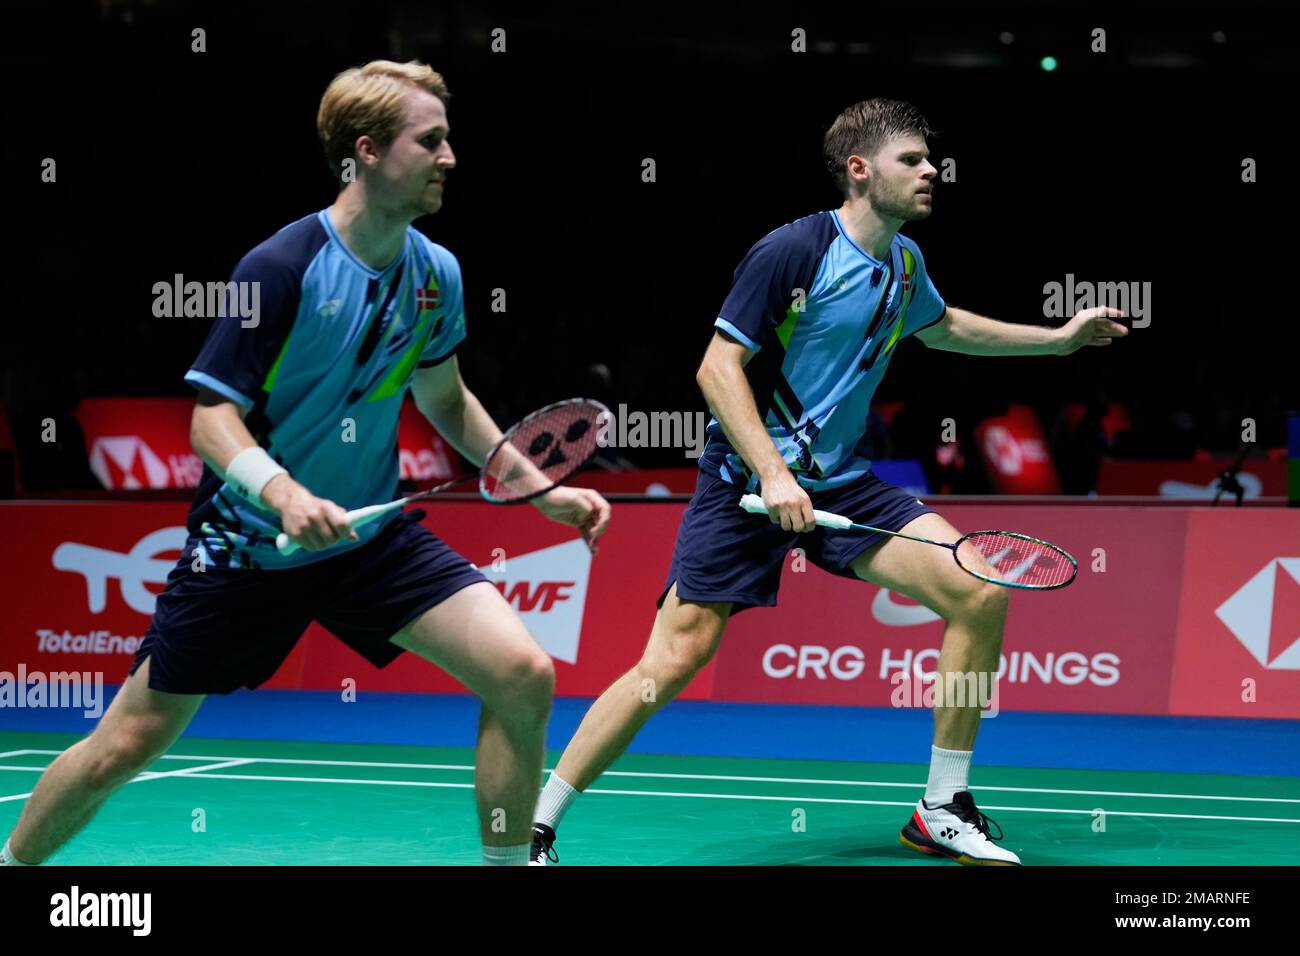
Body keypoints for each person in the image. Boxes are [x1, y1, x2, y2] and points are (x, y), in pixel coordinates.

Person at [1, 59, 610, 868]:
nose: (449, 157)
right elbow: (211, 421)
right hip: (252, 547)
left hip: (368, 539)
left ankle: (508, 864)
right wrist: (284, 496)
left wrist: (537, 492)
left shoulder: (436, 273)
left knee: (522, 670)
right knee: (124, 747)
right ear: (367, 150)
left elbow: (446, 399)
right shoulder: (281, 268)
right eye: (430, 141)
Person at [530, 98, 1125, 866]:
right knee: (671, 662)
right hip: (744, 482)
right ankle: (539, 823)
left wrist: (1058, 341)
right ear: (860, 169)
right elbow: (717, 368)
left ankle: (941, 805)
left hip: (842, 483)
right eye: (911, 159)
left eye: (928, 159)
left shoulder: (903, 264)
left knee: (980, 588)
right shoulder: (793, 252)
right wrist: (773, 474)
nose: (929, 170)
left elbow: (944, 327)